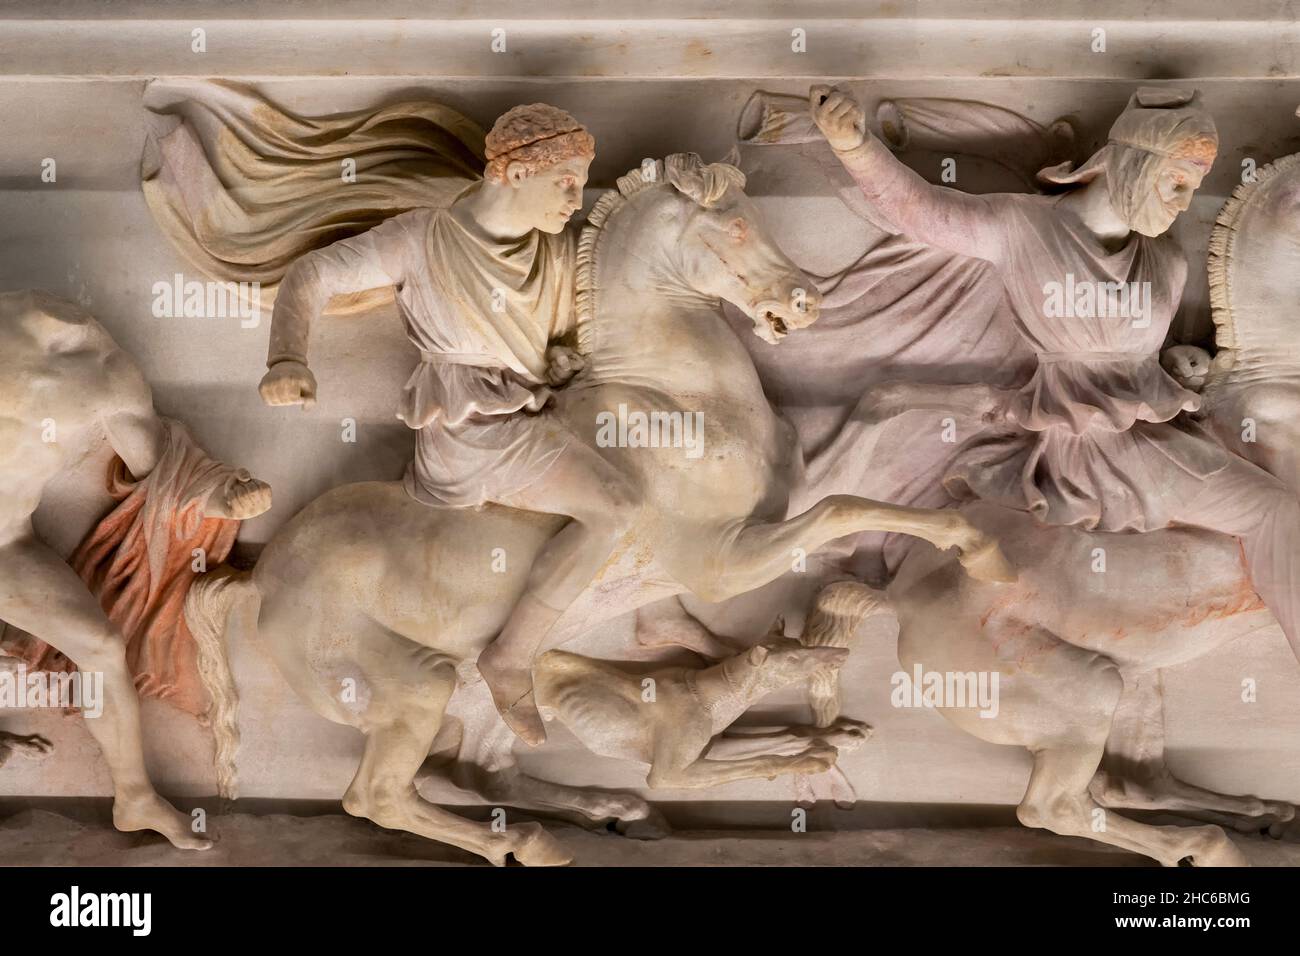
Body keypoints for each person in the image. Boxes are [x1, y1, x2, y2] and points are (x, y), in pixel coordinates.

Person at [809, 84, 1300, 655]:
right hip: (1098, 450)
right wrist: (855, 146)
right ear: (1135, 162)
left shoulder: (1166, 259)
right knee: (1275, 510)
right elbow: (922, 214)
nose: (1185, 201)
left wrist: (1174, 366)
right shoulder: (1022, 226)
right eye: (1178, 182)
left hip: (1157, 429)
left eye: (1191, 187)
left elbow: (1131, 364)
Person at [259, 104, 638, 746]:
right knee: (620, 506)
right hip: (475, 436)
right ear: (516, 172)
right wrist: (288, 356)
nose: (577, 199)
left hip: (536, 406)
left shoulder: (556, 251)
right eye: (566, 181)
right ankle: (511, 657)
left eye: (579, 183)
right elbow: (313, 274)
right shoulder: (419, 240)